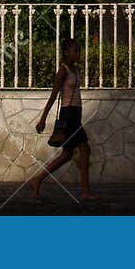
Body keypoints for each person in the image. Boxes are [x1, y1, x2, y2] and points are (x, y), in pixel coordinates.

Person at [29, 37, 97, 201]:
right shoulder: (63, 71)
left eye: (79, 50)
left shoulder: (75, 70)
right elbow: (54, 96)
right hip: (68, 114)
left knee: (67, 154)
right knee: (85, 149)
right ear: (66, 52)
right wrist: (43, 119)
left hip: (76, 113)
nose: (78, 53)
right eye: (75, 50)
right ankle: (86, 191)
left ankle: (38, 179)